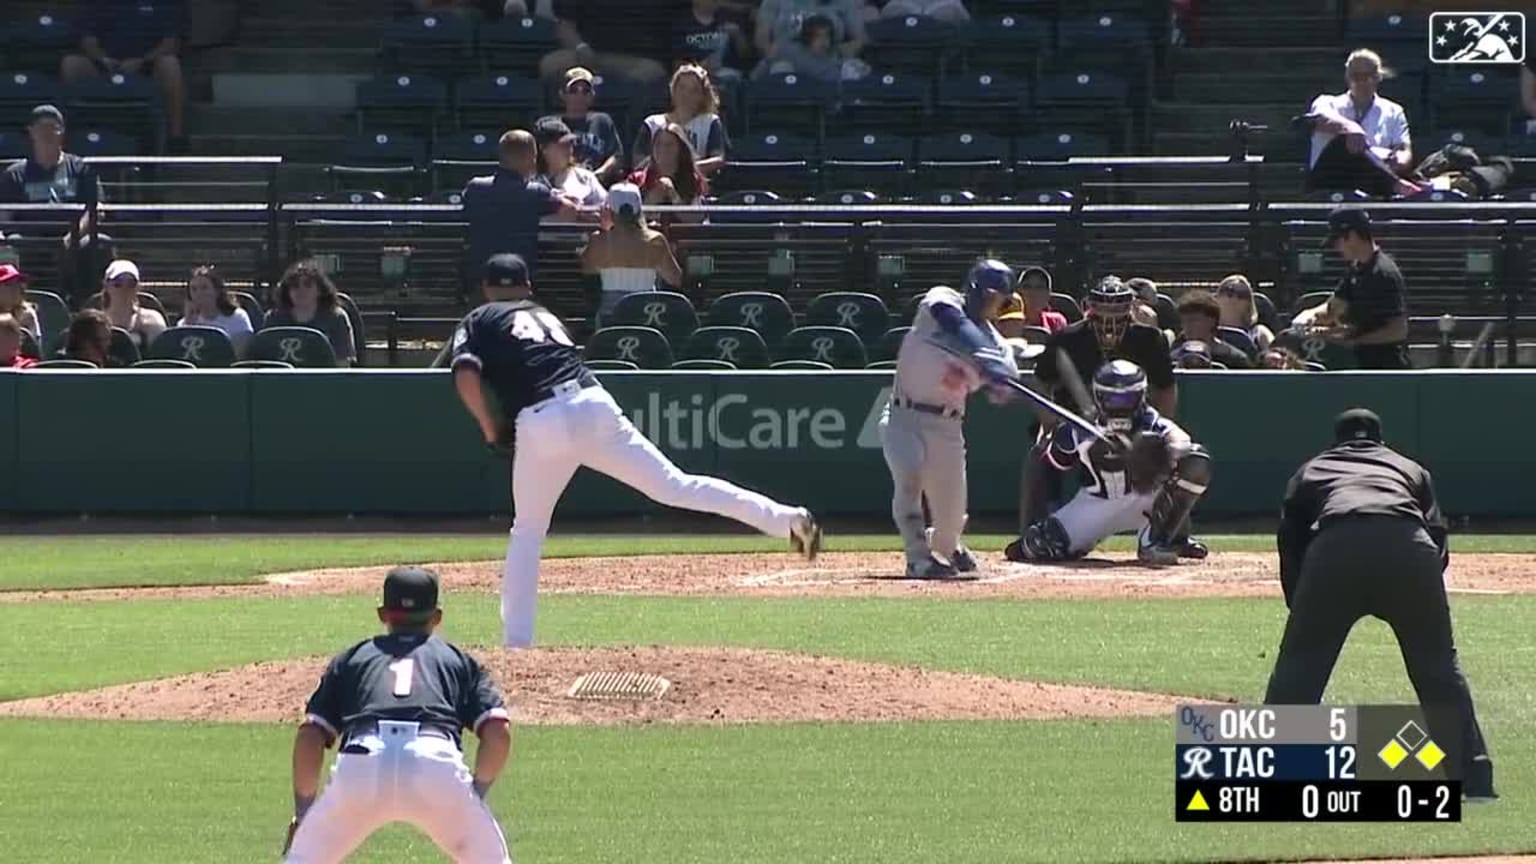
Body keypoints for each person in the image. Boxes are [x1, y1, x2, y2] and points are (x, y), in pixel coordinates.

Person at [449, 253, 822, 647]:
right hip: (595, 404)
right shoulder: (545, 316)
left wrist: (489, 426)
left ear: (487, 288)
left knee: (528, 531)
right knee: (677, 486)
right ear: (527, 285)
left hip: (544, 418)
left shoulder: (480, 317)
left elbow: (465, 373)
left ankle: (518, 643)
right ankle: (790, 521)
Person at [1266, 409, 1496, 802]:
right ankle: (1474, 782)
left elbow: (1290, 542)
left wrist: (1301, 606)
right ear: (1380, 441)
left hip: (1336, 547)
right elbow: (1437, 538)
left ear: (1336, 442)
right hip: (1409, 547)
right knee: (1438, 666)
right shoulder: (1409, 468)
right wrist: (1420, 594)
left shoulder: (1312, 469)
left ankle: (1273, 777)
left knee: (1300, 666)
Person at [281, 566, 514, 863]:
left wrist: (304, 813)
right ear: (437, 617)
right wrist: (475, 796)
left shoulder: (353, 658)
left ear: (382, 614)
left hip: (362, 762)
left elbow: (310, 736)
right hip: (434, 763)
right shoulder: (457, 660)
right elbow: (498, 732)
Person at [1014, 276, 1179, 549]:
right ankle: (1035, 526)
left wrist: (1158, 431)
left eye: (1117, 310)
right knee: (1039, 456)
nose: (1110, 319)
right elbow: (1042, 381)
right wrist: (1049, 420)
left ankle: (1171, 533)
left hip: (1135, 424)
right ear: (1089, 308)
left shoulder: (1149, 338)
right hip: (1077, 422)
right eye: (1104, 310)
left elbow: (1166, 388)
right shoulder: (1067, 338)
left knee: (1175, 460)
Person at [881, 261, 1020, 579]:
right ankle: (918, 559)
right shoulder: (940, 301)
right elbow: (954, 322)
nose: (993, 304)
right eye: (990, 296)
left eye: (1001, 299)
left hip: (947, 427)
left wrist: (999, 379)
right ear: (973, 290)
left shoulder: (998, 346)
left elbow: (1003, 388)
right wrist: (981, 353)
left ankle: (946, 545)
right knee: (909, 479)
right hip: (904, 416)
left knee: (951, 520)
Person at [1005, 359, 1211, 565]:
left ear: (1141, 396)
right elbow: (1052, 463)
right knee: (1035, 547)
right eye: (1112, 399)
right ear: (1098, 396)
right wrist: (1066, 440)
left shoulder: (1155, 425)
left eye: (1127, 398)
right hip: (1096, 504)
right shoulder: (1081, 430)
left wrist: (1151, 453)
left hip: (1147, 500)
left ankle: (1159, 540)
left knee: (1196, 461)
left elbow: (1183, 444)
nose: (1120, 406)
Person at [60, 1, 189, 149]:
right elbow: (88, 40)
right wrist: (103, 59)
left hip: (148, 67)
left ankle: (175, 137)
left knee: (170, 64)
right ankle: (70, 137)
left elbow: (170, 43)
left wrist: (142, 61)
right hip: (104, 66)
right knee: (71, 64)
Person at [1295, 207, 1409, 370]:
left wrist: (1352, 341)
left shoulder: (1383, 273)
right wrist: (1310, 315)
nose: (1336, 247)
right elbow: (1334, 307)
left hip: (1386, 370)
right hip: (1361, 364)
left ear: (1353, 236)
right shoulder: (1358, 268)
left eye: (1338, 241)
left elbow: (1398, 331)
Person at [462, 129, 581, 283]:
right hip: (520, 276)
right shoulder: (536, 192)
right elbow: (570, 211)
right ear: (529, 158)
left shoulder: (475, 187)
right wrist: (557, 196)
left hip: (480, 276)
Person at [1305, 49, 1420, 198]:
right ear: (1347, 77)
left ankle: (1391, 181)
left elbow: (1404, 150)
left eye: (1369, 76)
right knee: (1342, 141)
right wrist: (1351, 128)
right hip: (1330, 181)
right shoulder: (1327, 102)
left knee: (1375, 159)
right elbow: (1321, 118)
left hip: (1372, 182)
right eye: (1356, 76)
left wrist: (1393, 162)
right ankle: (1395, 184)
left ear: (1378, 77)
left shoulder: (1393, 111)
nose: (1362, 81)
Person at [579, 183, 683, 321]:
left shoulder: (597, 242)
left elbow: (588, 276)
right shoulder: (655, 241)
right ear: (639, 209)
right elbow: (675, 279)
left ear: (608, 210)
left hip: (610, 319)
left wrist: (605, 230)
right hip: (647, 317)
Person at [0, 106, 100, 244]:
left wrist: (73, 237)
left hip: (74, 239)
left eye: (53, 127)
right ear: (31, 132)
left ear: (62, 132)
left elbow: (94, 210)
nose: (48, 133)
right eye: (42, 128)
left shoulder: (81, 168)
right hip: (29, 242)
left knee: (98, 242)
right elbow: (5, 215)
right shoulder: (14, 174)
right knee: (12, 241)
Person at [538, 0, 670, 84]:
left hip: (633, 61)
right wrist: (580, 47)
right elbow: (565, 25)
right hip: (589, 56)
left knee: (652, 72)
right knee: (550, 64)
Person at [633, 64, 728, 177]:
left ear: (702, 96)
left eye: (694, 90)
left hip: (695, 184)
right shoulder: (652, 123)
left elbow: (718, 159)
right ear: (673, 90)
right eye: (682, 87)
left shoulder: (710, 122)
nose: (686, 94)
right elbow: (638, 161)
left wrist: (684, 171)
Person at [540, 67, 625, 185]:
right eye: (573, 90)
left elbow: (616, 156)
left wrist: (598, 175)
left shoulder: (602, 121)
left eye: (585, 91)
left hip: (597, 186)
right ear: (562, 94)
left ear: (592, 95)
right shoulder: (548, 124)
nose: (580, 95)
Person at [263, 260, 356, 367]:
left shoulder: (336, 318)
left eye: (308, 285)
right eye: (295, 286)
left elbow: (342, 363)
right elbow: (264, 360)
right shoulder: (273, 318)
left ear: (320, 290)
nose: (301, 290)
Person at [752, 12, 869, 83]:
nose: (824, 41)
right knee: (781, 68)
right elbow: (756, 75)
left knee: (854, 67)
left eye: (827, 36)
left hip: (822, 102)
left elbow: (847, 70)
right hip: (794, 95)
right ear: (807, 37)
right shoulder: (788, 51)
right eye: (818, 36)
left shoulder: (833, 55)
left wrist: (860, 67)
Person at [627, 123, 707, 224]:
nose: (663, 149)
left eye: (669, 145)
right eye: (658, 144)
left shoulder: (692, 180)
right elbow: (626, 221)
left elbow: (696, 219)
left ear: (680, 149)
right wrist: (651, 201)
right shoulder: (636, 180)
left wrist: (674, 196)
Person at [755, 0, 867, 69]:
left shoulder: (845, 2)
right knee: (780, 70)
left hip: (828, 59)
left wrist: (850, 48)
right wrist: (769, 52)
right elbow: (761, 37)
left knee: (856, 69)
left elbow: (861, 38)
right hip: (786, 59)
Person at [534, 117, 607, 218]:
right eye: (562, 144)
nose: (569, 148)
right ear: (544, 148)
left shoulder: (585, 177)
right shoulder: (529, 181)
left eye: (570, 143)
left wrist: (580, 210)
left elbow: (606, 207)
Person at [178, 265, 254, 355]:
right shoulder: (184, 323)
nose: (199, 293)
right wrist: (189, 324)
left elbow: (239, 352)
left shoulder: (237, 317)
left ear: (217, 291)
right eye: (194, 289)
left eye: (204, 288)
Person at [100, 259, 168, 351]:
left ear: (138, 287)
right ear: (106, 285)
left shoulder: (152, 319)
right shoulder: (96, 322)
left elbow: (161, 354)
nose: (124, 288)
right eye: (118, 283)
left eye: (131, 283)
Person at [1175, 290, 1252, 369]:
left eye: (1193, 320)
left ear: (1212, 321)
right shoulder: (1174, 358)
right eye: (1184, 321)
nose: (1187, 325)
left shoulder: (1236, 361)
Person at [676, 0, 750, 80]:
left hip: (728, 79)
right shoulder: (682, 24)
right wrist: (701, 66)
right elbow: (676, 62)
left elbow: (745, 56)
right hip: (696, 79)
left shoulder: (728, 18)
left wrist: (738, 35)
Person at [1214, 273, 1275, 352]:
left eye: (1242, 295)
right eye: (1229, 292)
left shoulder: (1259, 332)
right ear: (1217, 297)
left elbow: (1274, 355)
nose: (1234, 298)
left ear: (1249, 303)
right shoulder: (1206, 330)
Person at [1016, 266, 1068, 333]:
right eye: (1027, 287)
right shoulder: (1008, 323)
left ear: (1048, 294)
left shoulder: (1056, 321)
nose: (1033, 292)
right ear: (1019, 292)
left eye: (1039, 288)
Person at [0, 264, 42, 344]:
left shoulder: (27, 313)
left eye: (17, 284)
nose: (15, 289)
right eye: (8, 285)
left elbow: (34, 346)